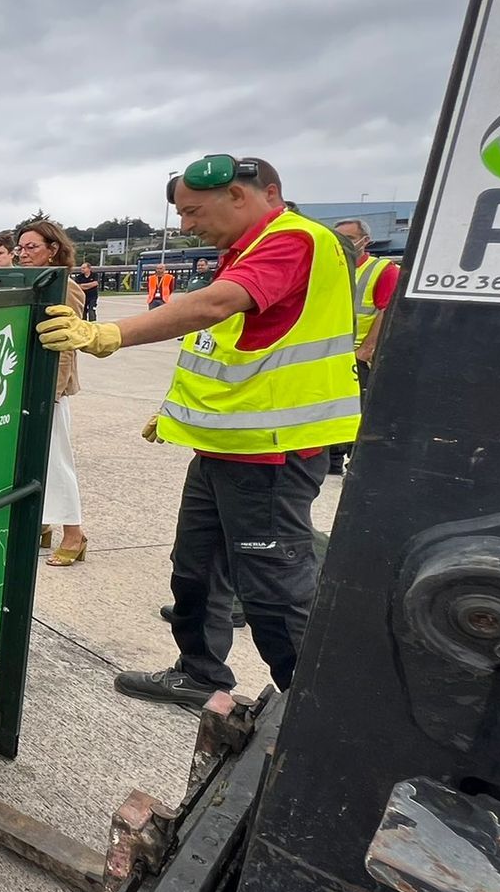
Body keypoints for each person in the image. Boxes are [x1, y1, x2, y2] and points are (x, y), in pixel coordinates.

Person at [37, 153, 359, 706]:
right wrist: (176, 415)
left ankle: (317, 717)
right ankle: (200, 672)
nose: (185, 226)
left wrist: (108, 332)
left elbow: (215, 307)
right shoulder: (247, 248)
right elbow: (232, 348)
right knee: (196, 572)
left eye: (192, 211)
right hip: (226, 447)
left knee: (274, 595)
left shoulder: (294, 240)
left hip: (271, 454)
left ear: (240, 195)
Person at [17, 222, 90, 566]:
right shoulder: (32, 283)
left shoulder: (68, 288)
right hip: (31, 387)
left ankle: (74, 533)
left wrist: (54, 391)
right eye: (21, 248)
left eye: (31, 247)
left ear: (53, 249)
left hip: (51, 390)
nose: (23, 254)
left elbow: (67, 346)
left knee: (58, 462)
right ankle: (43, 524)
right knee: (37, 459)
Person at [328, 218, 401, 475]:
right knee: (330, 410)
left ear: (365, 241)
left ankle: (352, 461)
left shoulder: (381, 270)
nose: (342, 243)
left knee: (355, 411)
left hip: (357, 353)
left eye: (348, 238)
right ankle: (332, 461)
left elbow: (386, 311)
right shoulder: (331, 266)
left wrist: (366, 350)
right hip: (328, 353)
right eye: (338, 238)